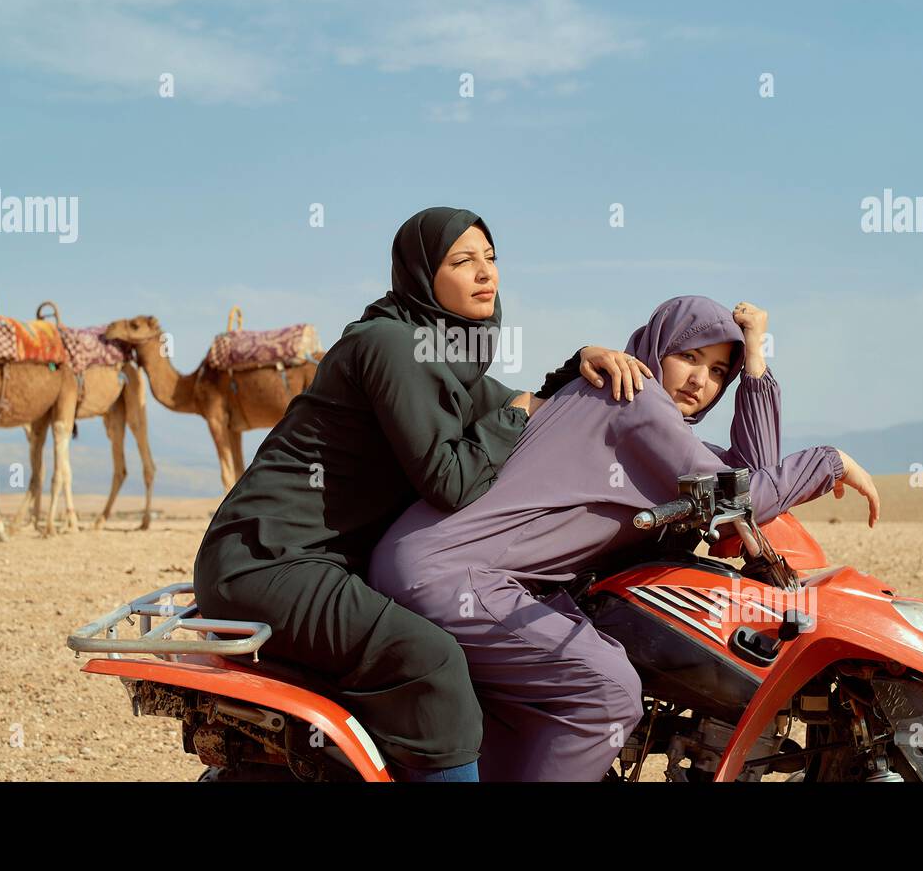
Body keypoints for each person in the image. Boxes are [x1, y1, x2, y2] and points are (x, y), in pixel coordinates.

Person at [192, 206, 647, 782]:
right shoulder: (394, 347)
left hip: (320, 560)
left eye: (490, 258)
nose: (486, 274)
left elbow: (518, 411)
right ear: (421, 273)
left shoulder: (441, 357)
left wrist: (577, 373)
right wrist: (517, 411)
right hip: (270, 561)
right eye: (462, 261)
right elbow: (451, 479)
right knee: (430, 661)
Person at [368, 295, 880, 781]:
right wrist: (828, 462)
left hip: (438, 567)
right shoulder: (633, 400)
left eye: (719, 372)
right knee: (608, 691)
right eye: (689, 357)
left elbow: (747, 476)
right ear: (658, 347)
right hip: (449, 575)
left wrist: (756, 363)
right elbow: (734, 498)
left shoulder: (643, 417)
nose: (701, 380)